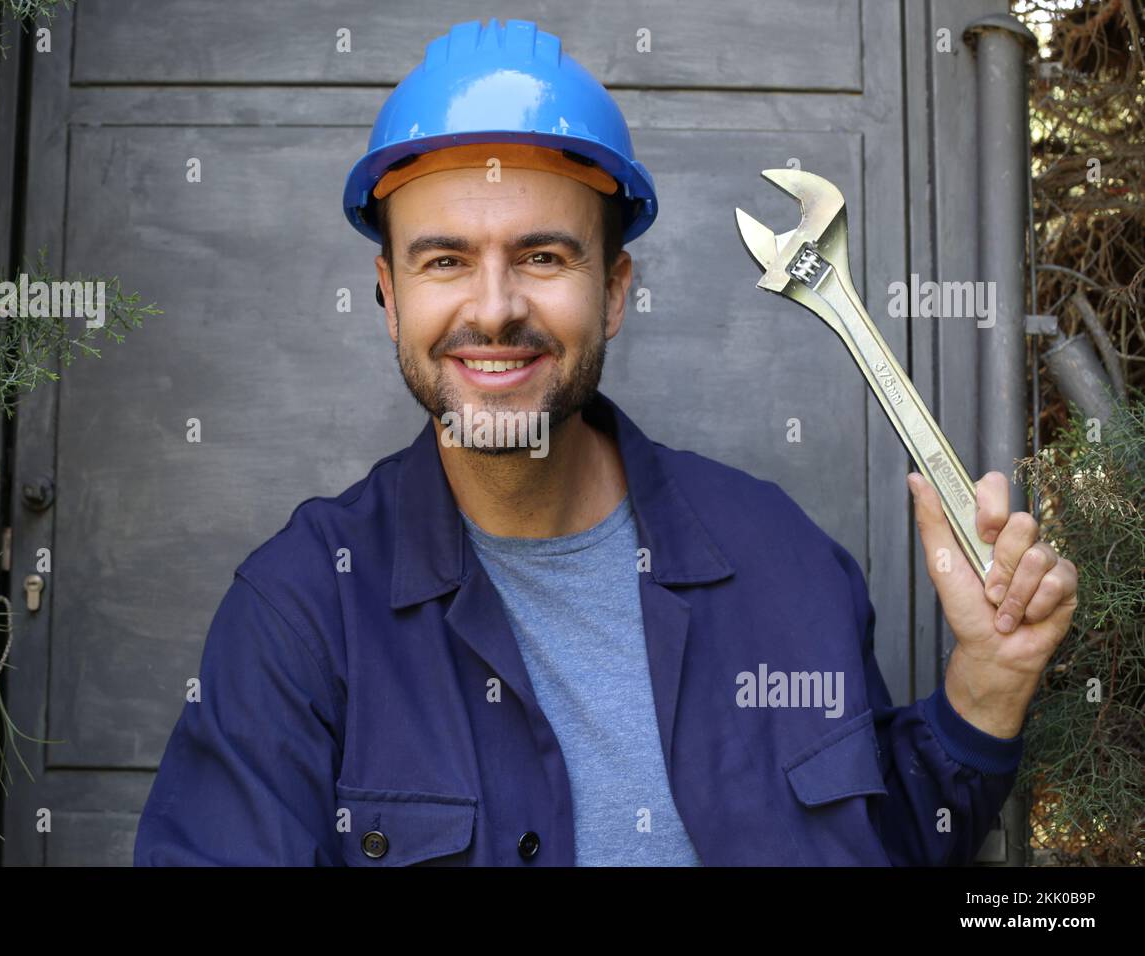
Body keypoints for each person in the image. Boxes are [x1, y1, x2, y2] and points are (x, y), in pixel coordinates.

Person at [134, 18, 1078, 866]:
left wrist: (984, 691)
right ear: (388, 295)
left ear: (616, 290)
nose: (495, 309)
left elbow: (891, 844)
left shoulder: (785, 560)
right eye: (446, 261)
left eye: (544, 256)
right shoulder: (298, 617)